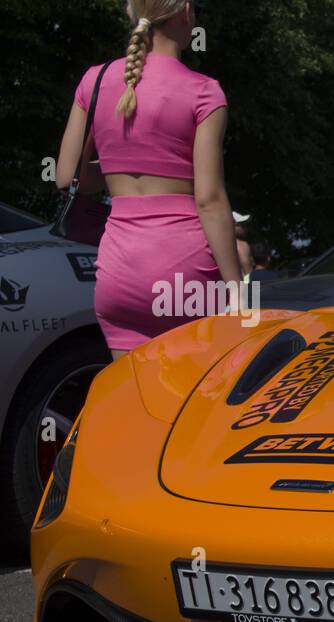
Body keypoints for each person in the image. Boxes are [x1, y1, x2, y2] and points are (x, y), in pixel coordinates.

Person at [55, 0, 240, 359]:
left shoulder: (93, 81)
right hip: (186, 272)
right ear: (186, 11)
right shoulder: (204, 91)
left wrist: (120, 166)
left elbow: (67, 177)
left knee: (134, 401)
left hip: (117, 274)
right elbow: (209, 199)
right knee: (194, 403)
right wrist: (236, 289)